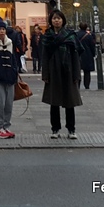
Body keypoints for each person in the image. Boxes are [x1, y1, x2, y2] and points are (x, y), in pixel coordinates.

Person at [41, 10, 83, 139]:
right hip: (53, 71)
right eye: (54, 18)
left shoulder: (70, 36)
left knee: (70, 101)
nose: (56, 20)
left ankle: (71, 129)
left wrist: (76, 74)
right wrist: (45, 74)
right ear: (51, 21)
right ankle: (55, 129)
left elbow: (76, 56)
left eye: (59, 18)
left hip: (68, 70)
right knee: (54, 101)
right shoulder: (47, 36)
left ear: (63, 20)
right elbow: (44, 56)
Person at [77, 22, 96, 89]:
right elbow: (92, 46)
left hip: (78, 54)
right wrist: (93, 54)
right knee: (87, 72)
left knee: (77, 71)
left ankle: (77, 85)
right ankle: (87, 86)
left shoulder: (76, 35)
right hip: (87, 55)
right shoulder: (89, 36)